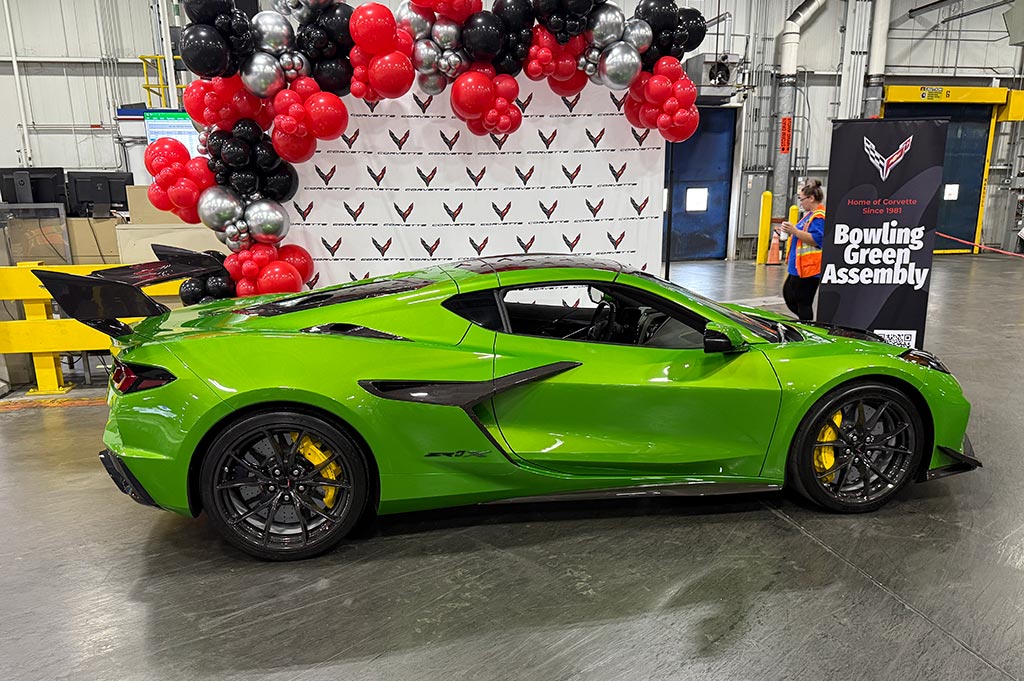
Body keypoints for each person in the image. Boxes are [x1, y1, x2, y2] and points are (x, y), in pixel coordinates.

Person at [778, 179, 826, 321]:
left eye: (802, 199)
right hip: (799, 267)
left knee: (803, 302)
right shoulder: (808, 215)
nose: (801, 202)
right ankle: (804, 321)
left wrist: (794, 231)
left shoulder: (819, 217)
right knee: (789, 296)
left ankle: (807, 326)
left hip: (809, 269)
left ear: (811, 198)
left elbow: (818, 239)